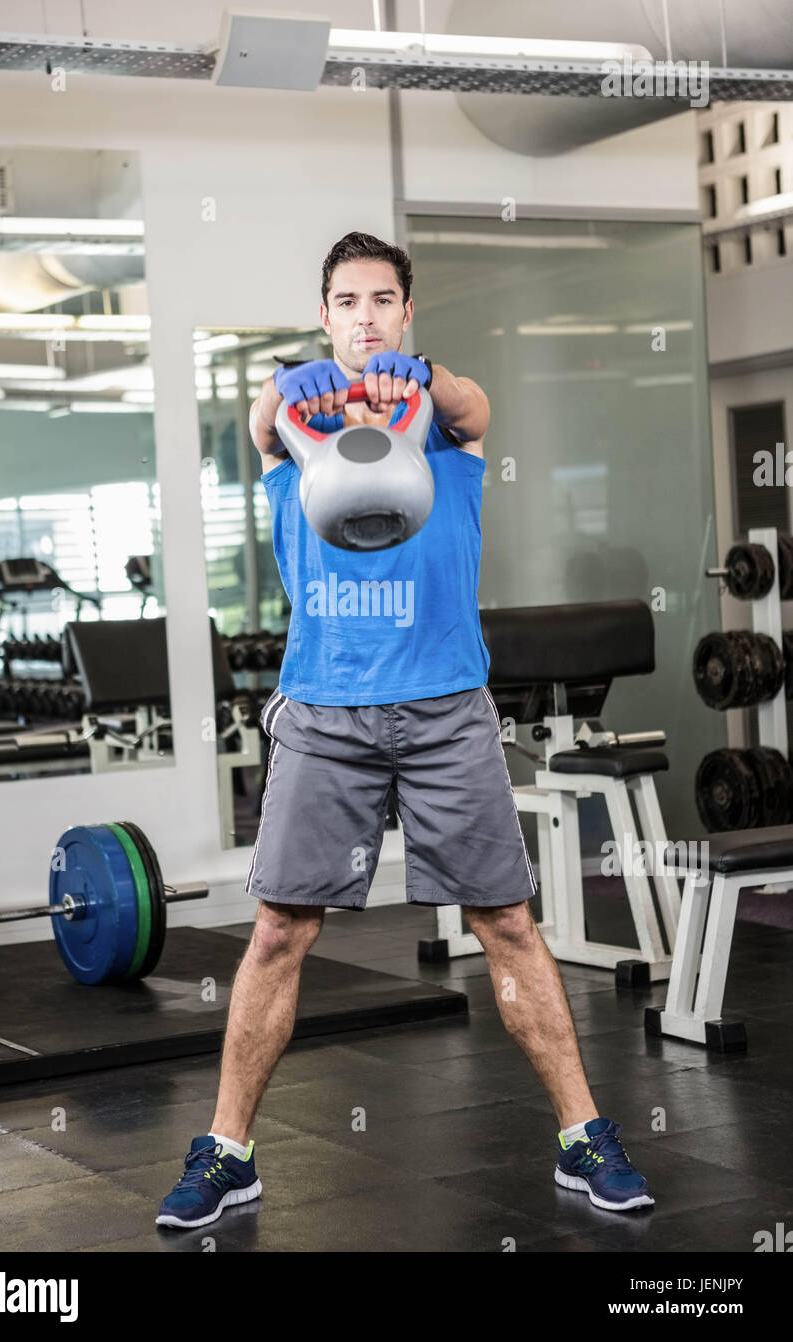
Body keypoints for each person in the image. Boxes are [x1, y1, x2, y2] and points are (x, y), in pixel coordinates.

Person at [156, 231, 654, 1230]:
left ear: (405, 312)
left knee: (507, 923)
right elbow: (258, 422)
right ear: (324, 314)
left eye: (383, 300)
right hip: (325, 716)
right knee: (278, 931)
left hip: (443, 715)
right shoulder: (293, 427)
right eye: (346, 302)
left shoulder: (441, 419)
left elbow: (472, 403)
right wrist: (287, 387)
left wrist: (417, 375)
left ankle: (581, 1136)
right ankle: (226, 1151)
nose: (365, 317)